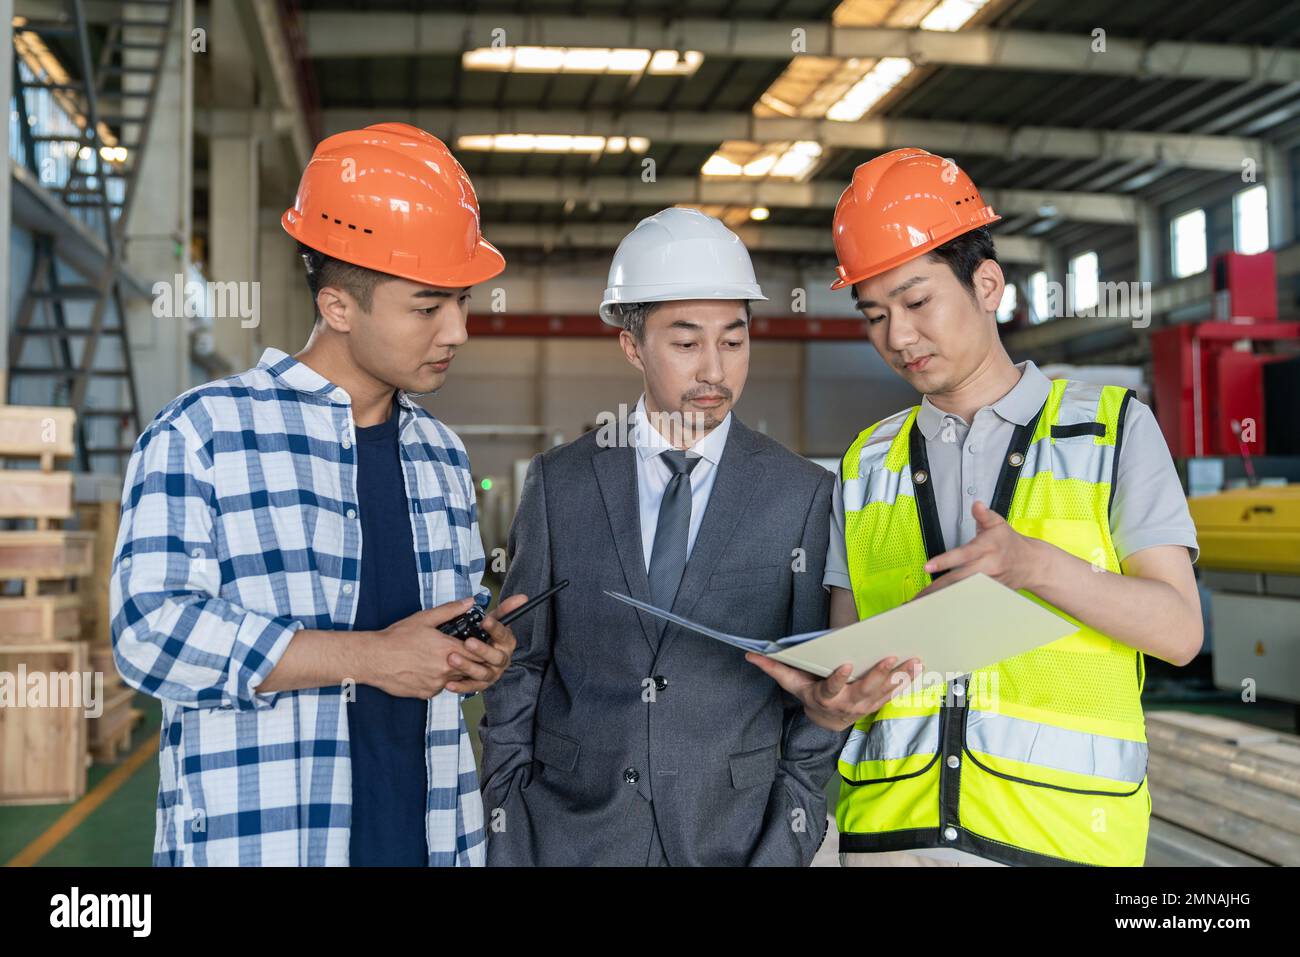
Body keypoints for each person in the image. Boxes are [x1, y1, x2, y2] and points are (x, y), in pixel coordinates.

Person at [749, 148, 1202, 867]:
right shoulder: (867, 462)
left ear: (987, 284)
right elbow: (852, 651)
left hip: (1058, 838)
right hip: (890, 837)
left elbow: (1179, 630)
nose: (897, 337)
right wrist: (828, 701)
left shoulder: (1109, 430)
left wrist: (1036, 566)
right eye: (874, 315)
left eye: (917, 301)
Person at [110, 123, 524, 866]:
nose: (458, 329)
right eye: (427, 307)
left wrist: (471, 663)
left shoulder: (440, 456)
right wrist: (366, 657)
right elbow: (151, 633)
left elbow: (429, 655)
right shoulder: (204, 434)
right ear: (338, 306)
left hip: (431, 839)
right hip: (270, 844)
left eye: (461, 300)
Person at [478, 208, 906, 866]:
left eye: (733, 342)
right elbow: (523, 660)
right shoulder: (561, 483)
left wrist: (791, 825)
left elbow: (822, 675)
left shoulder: (801, 494)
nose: (714, 369)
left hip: (732, 837)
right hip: (571, 831)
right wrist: (506, 801)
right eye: (686, 343)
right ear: (633, 346)